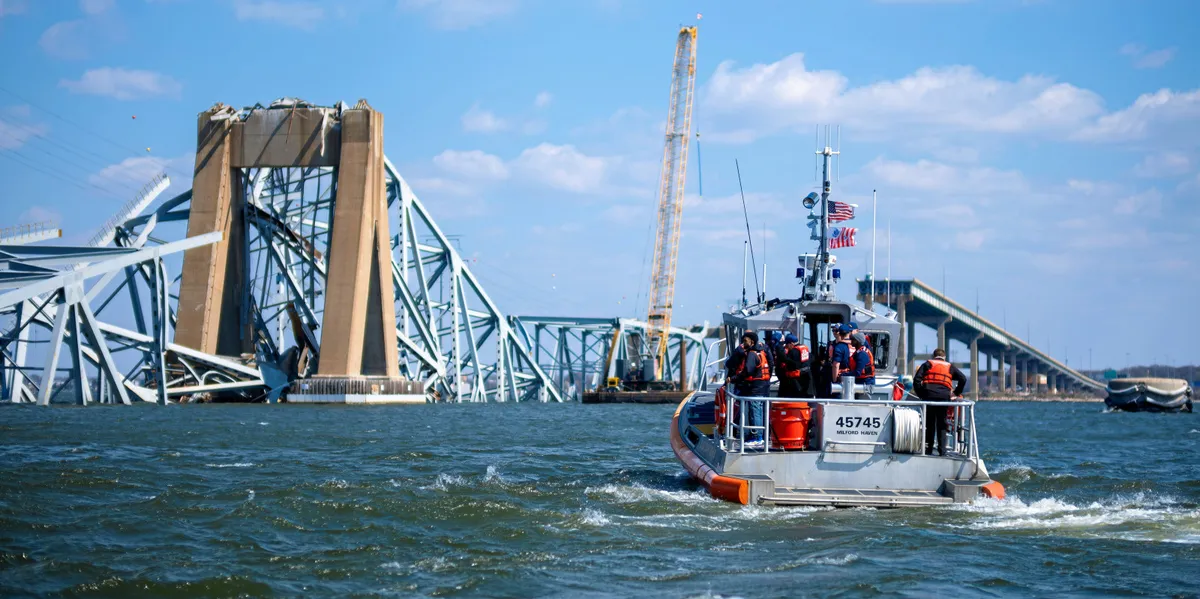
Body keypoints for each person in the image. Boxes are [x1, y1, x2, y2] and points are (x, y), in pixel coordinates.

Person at [914, 348, 967, 456]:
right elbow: (963, 378)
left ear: (933, 356)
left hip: (929, 396)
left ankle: (928, 450)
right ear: (944, 357)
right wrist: (956, 393)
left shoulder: (928, 364)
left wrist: (921, 394)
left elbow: (916, 380)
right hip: (944, 398)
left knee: (929, 423)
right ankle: (942, 451)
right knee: (942, 424)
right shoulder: (949, 367)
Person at [730, 332, 771, 446]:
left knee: (755, 412)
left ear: (752, 342)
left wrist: (734, 378)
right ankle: (760, 436)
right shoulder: (761, 352)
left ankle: (756, 437)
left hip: (755, 388)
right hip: (763, 387)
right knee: (760, 411)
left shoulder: (752, 354)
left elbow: (747, 371)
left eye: (745, 341)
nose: (743, 343)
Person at [775, 333, 811, 398]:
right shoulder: (805, 349)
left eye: (787, 344)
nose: (786, 346)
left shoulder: (793, 351)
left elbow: (790, 364)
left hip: (796, 381)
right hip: (806, 378)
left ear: (791, 343)